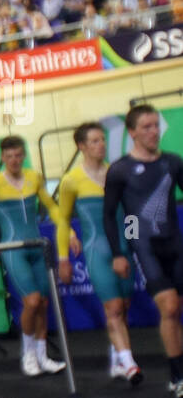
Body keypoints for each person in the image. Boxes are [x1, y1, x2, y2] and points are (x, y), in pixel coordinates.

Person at [102, 103, 183, 398]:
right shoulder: (120, 170)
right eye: (146, 127)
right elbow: (111, 215)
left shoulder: (173, 162)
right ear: (132, 132)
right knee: (170, 307)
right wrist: (119, 252)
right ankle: (177, 377)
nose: (153, 132)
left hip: (175, 242)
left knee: (178, 310)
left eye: (155, 125)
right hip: (145, 246)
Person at [0, 136, 71, 376]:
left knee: (44, 303)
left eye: (18, 155)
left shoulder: (34, 177)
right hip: (13, 248)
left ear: (23, 155)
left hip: (37, 247)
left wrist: (68, 230)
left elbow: (51, 206)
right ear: (2, 158)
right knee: (32, 301)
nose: (14, 160)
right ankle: (27, 354)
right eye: (9, 156)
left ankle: (42, 354)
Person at [57, 123, 142, 384]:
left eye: (102, 140)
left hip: (123, 249)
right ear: (81, 146)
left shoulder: (116, 172)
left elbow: (130, 214)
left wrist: (136, 243)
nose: (101, 145)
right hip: (96, 249)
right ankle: (130, 365)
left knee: (124, 306)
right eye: (94, 141)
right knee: (113, 307)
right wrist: (63, 258)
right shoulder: (71, 180)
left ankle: (118, 356)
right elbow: (62, 220)